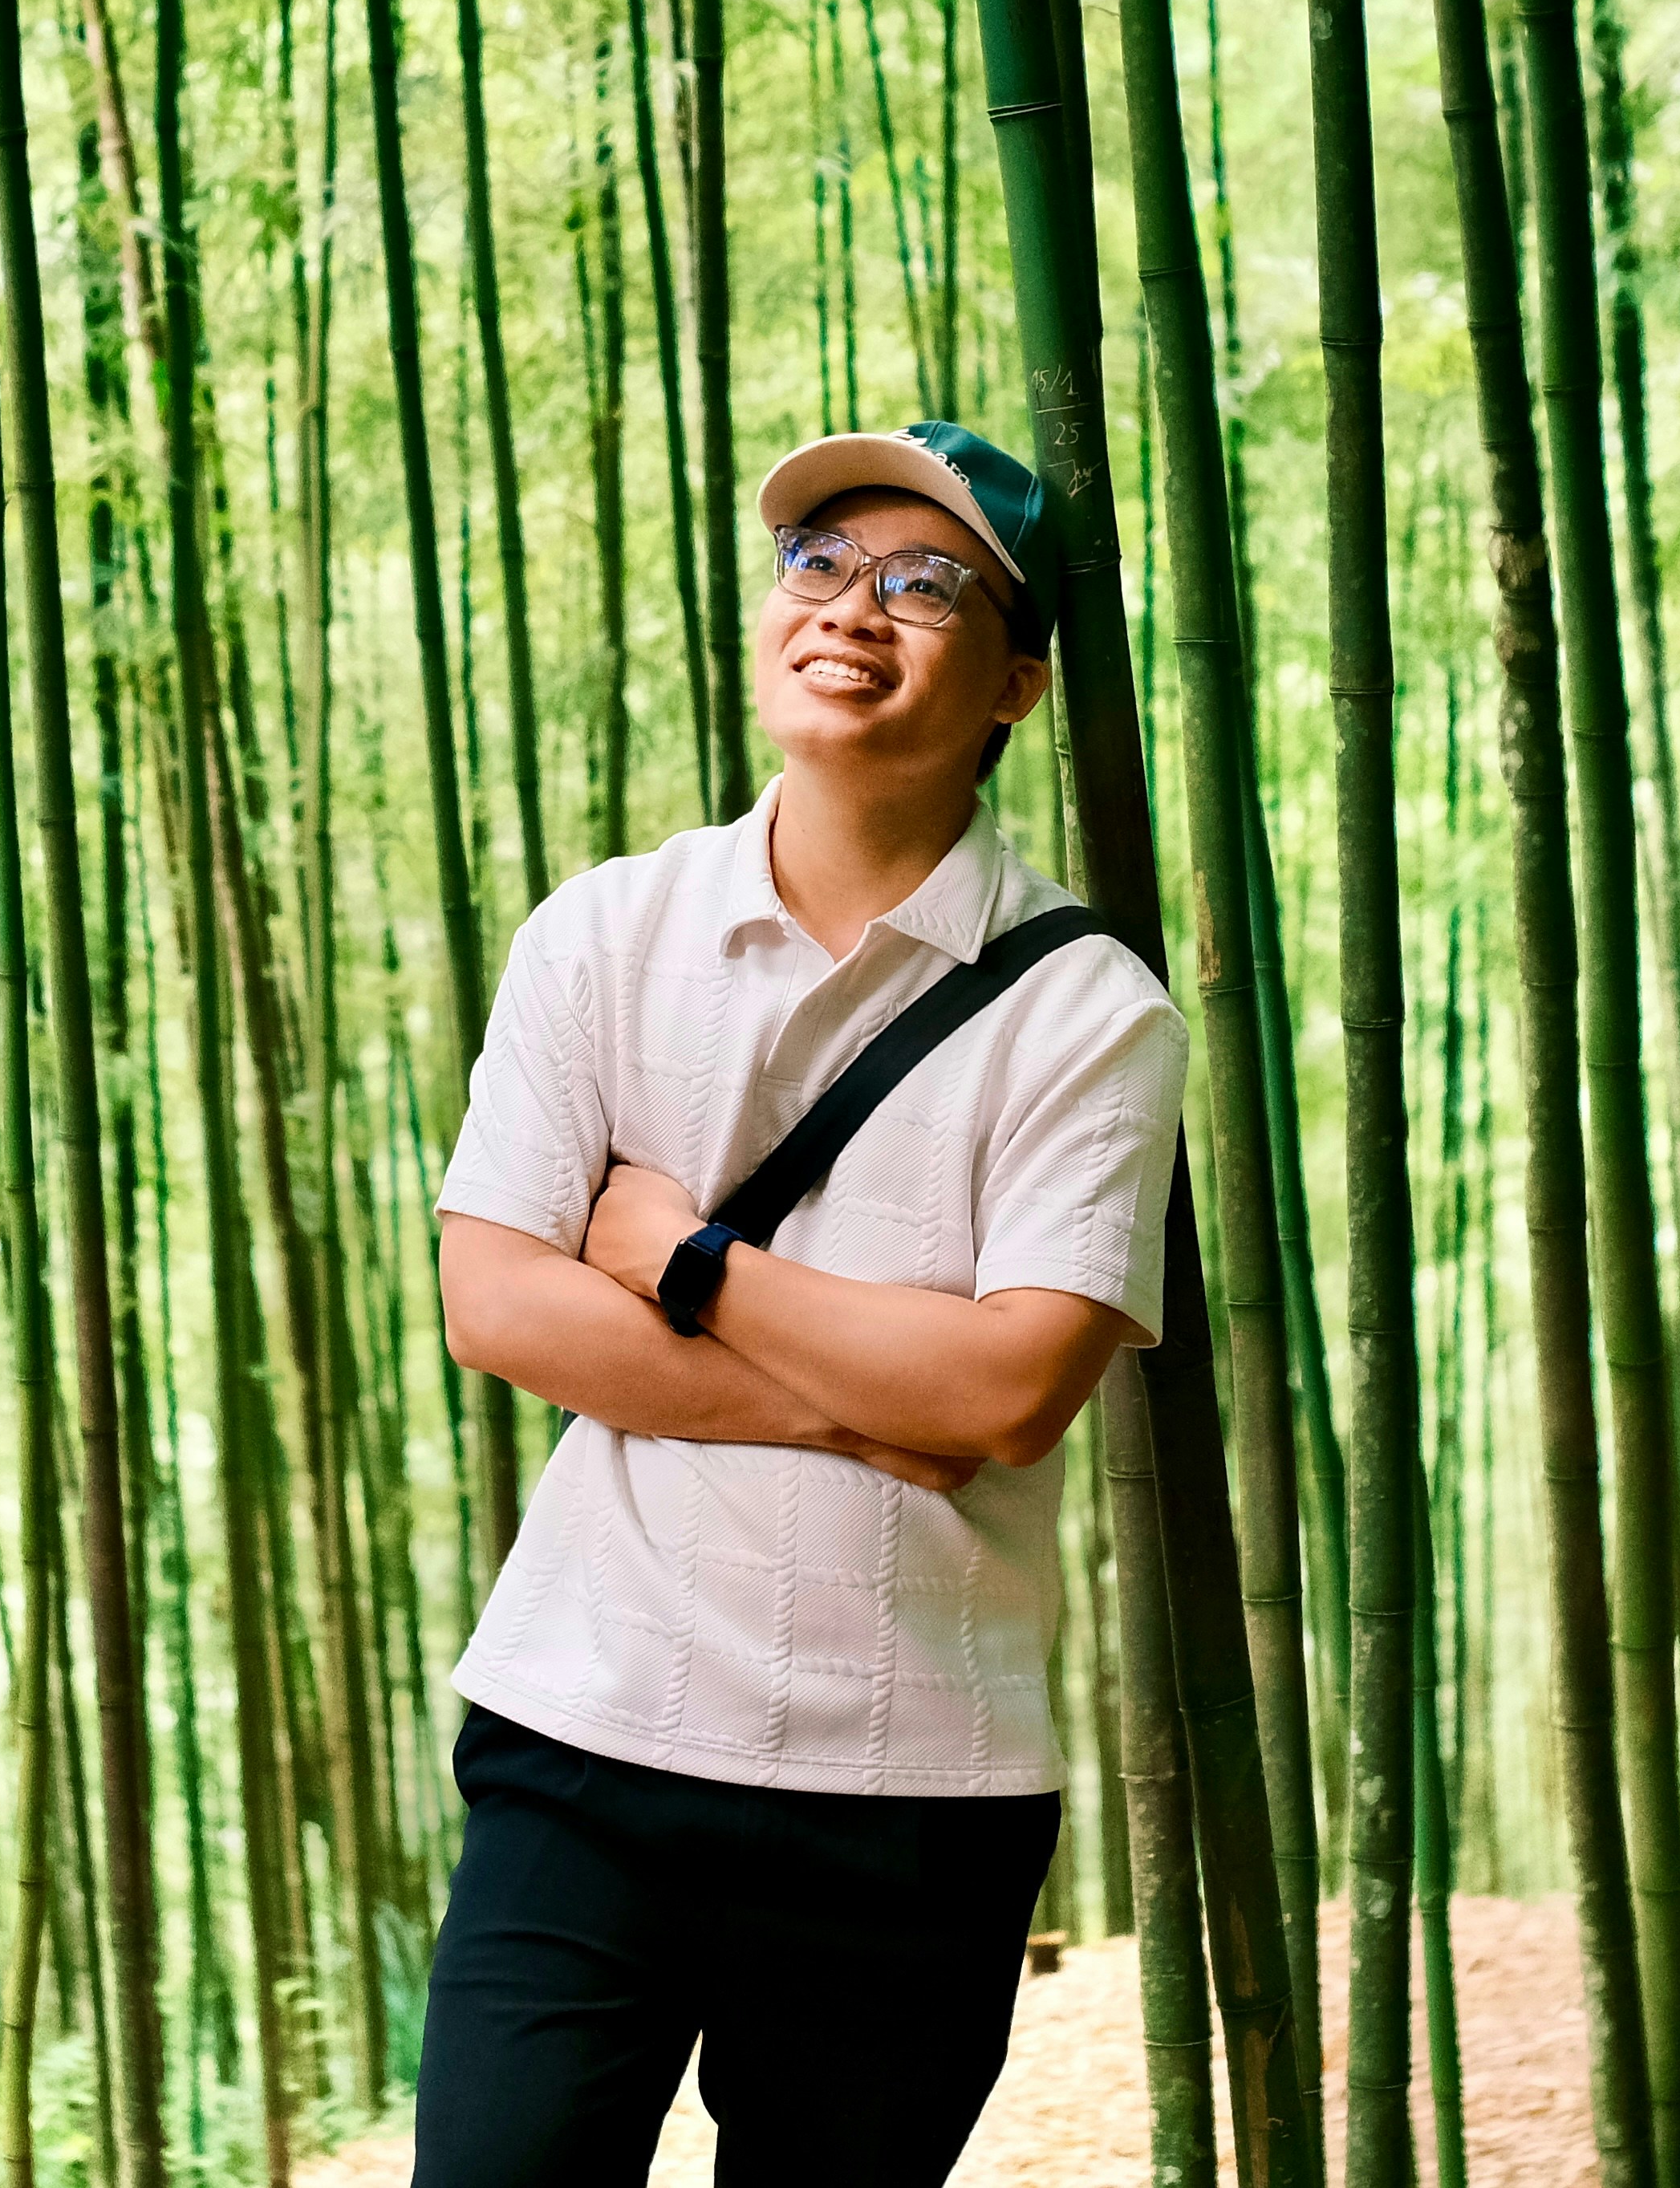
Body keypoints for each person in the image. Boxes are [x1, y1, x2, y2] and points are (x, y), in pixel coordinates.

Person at [416, 421, 1192, 2188]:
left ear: (1015, 682)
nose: (856, 606)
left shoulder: (1088, 1013)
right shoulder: (601, 936)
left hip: (914, 1790)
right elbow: (498, 1301)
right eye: (821, 563)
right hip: (584, 1732)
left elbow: (1006, 1390)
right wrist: (849, 1401)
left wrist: (690, 1265)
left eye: (929, 582)